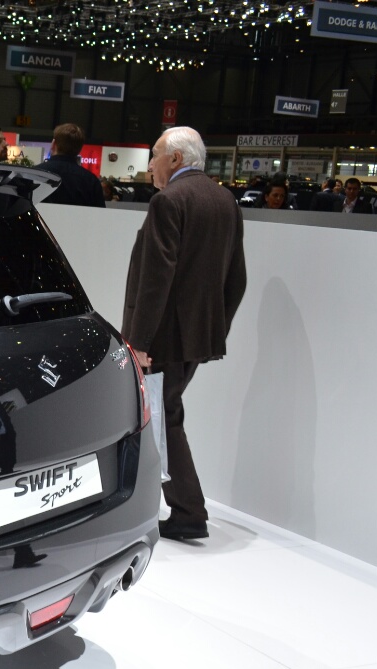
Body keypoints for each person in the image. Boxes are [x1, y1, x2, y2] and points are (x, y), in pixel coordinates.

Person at [122, 126, 246, 542]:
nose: (150, 164)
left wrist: (138, 343)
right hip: (195, 338)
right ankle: (181, 507)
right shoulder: (224, 199)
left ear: (175, 158)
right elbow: (237, 279)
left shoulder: (168, 201)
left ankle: (188, 510)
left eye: (155, 154)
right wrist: (214, 328)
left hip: (161, 340)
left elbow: (156, 279)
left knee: (161, 417)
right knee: (165, 413)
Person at [37, 123, 104, 207]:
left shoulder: (35, 174)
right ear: (79, 149)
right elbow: (99, 214)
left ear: (53, 144)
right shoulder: (91, 181)